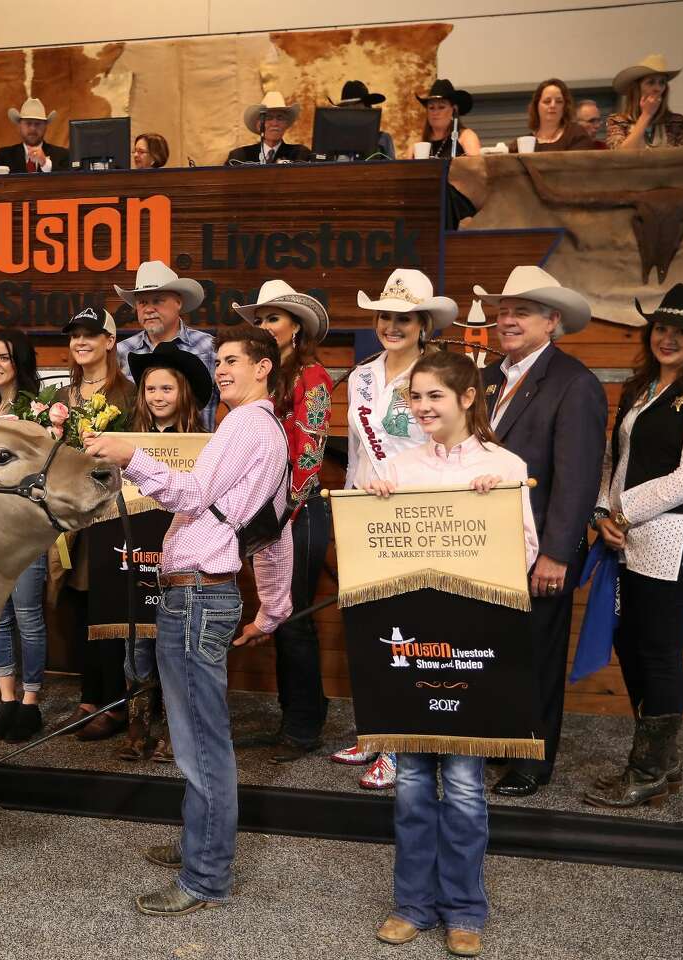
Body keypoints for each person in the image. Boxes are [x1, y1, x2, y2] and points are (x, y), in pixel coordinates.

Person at [83, 324, 293, 917]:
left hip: (199, 596)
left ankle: (205, 876)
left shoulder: (247, 425)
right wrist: (272, 608)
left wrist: (132, 456)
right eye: (219, 361)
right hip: (203, 595)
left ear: (263, 368)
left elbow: (192, 491)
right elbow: (276, 530)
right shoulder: (261, 430)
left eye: (233, 361)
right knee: (197, 735)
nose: (222, 369)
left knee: (201, 740)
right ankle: (200, 847)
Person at [370, 350, 537, 960]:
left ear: (468, 398)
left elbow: (522, 556)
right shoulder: (398, 466)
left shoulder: (507, 466)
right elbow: (372, 548)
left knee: (464, 784)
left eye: (434, 396)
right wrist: (373, 499)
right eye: (415, 397)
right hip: (410, 641)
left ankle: (465, 909)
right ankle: (412, 904)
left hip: (472, 642)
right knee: (413, 779)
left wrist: (495, 509)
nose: (422, 408)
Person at [585, 284, 683, 810]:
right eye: (661, 327)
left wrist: (624, 510)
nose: (668, 337)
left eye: (682, 330)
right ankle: (663, 759)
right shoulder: (640, 389)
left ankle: (648, 768)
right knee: (630, 646)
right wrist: (603, 512)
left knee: (658, 653)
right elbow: (616, 461)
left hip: (675, 538)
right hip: (627, 537)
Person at [476, 265, 608, 798]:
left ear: (552, 321)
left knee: (536, 653)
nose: (507, 319)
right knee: (497, 649)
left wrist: (556, 554)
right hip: (487, 545)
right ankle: (504, 743)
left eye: (521, 312)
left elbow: (576, 479)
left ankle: (533, 760)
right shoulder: (486, 378)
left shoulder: (574, 383)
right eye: (503, 310)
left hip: (539, 549)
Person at [329, 269, 456, 788]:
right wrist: (349, 511)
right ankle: (377, 729)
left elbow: (451, 447)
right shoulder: (362, 375)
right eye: (385, 316)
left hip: (415, 516)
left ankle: (405, 745)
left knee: (410, 632)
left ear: (423, 323)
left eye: (402, 317)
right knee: (368, 626)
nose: (391, 325)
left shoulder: (439, 375)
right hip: (365, 512)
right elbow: (359, 448)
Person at [232, 280, 336, 764]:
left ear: (297, 327)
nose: (265, 327)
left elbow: (310, 453)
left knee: (292, 619)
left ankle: (303, 725)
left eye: (273, 318)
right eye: (260, 320)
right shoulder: (270, 378)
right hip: (272, 511)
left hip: (298, 509)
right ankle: (295, 716)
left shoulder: (311, 375)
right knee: (280, 613)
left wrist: (280, 513)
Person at [118, 342, 213, 765]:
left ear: (184, 395)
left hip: (180, 555)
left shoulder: (205, 446)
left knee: (177, 651)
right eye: (151, 389)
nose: (157, 396)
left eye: (167, 389)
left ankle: (176, 734)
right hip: (133, 553)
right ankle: (136, 728)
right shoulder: (125, 445)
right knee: (136, 644)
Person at [56, 306, 135, 743]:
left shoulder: (128, 393)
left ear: (110, 341)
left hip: (114, 510)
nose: (81, 342)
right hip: (72, 515)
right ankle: (90, 694)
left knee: (113, 603)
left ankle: (117, 700)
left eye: (90, 334)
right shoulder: (62, 398)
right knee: (83, 603)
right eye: (74, 336)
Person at [0, 329, 49, 744]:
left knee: (28, 617)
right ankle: (6, 699)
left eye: (3, 357)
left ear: (19, 362)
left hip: (24, 530)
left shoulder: (37, 410)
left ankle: (30, 701)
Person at [115, 260, 217, 428]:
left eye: (157, 301)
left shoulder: (210, 347)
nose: (148, 309)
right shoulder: (121, 351)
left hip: (201, 451)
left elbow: (236, 404)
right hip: (137, 449)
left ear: (178, 302)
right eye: (142, 302)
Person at [607, 54, 683, 150]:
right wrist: (646, 115)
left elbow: (682, 158)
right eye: (650, 82)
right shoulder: (617, 121)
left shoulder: (677, 121)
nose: (657, 88)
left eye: (662, 83)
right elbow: (621, 156)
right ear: (637, 88)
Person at [509, 78, 604, 152]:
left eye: (559, 101)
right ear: (536, 106)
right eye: (547, 101)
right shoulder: (522, 144)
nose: (553, 105)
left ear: (565, 106)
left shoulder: (577, 135)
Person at [0, 98, 71, 174]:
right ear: (19, 126)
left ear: (45, 127)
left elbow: (71, 182)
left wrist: (46, 164)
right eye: (28, 123)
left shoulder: (62, 155)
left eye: (38, 124)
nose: (33, 128)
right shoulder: (4, 155)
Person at [227, 91, 313, 164]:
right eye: (269, 118)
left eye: (280, 118)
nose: (274, 123)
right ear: (259, 125)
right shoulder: (240, 157)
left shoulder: (300, 154)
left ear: (286, 124)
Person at [408, 80, 481, 158]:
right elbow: (407, 169)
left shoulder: (466, 136)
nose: (435, 112)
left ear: (454, 110)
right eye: (431, 108)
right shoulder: (418, 143)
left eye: (441, 107)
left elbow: (477, 167)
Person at [333, 80, 396, 159]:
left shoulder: (383, 140)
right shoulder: (333, 141)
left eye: (356, 108)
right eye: (347, 108)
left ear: (367, 109)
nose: (351, 113)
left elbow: (391, 169)